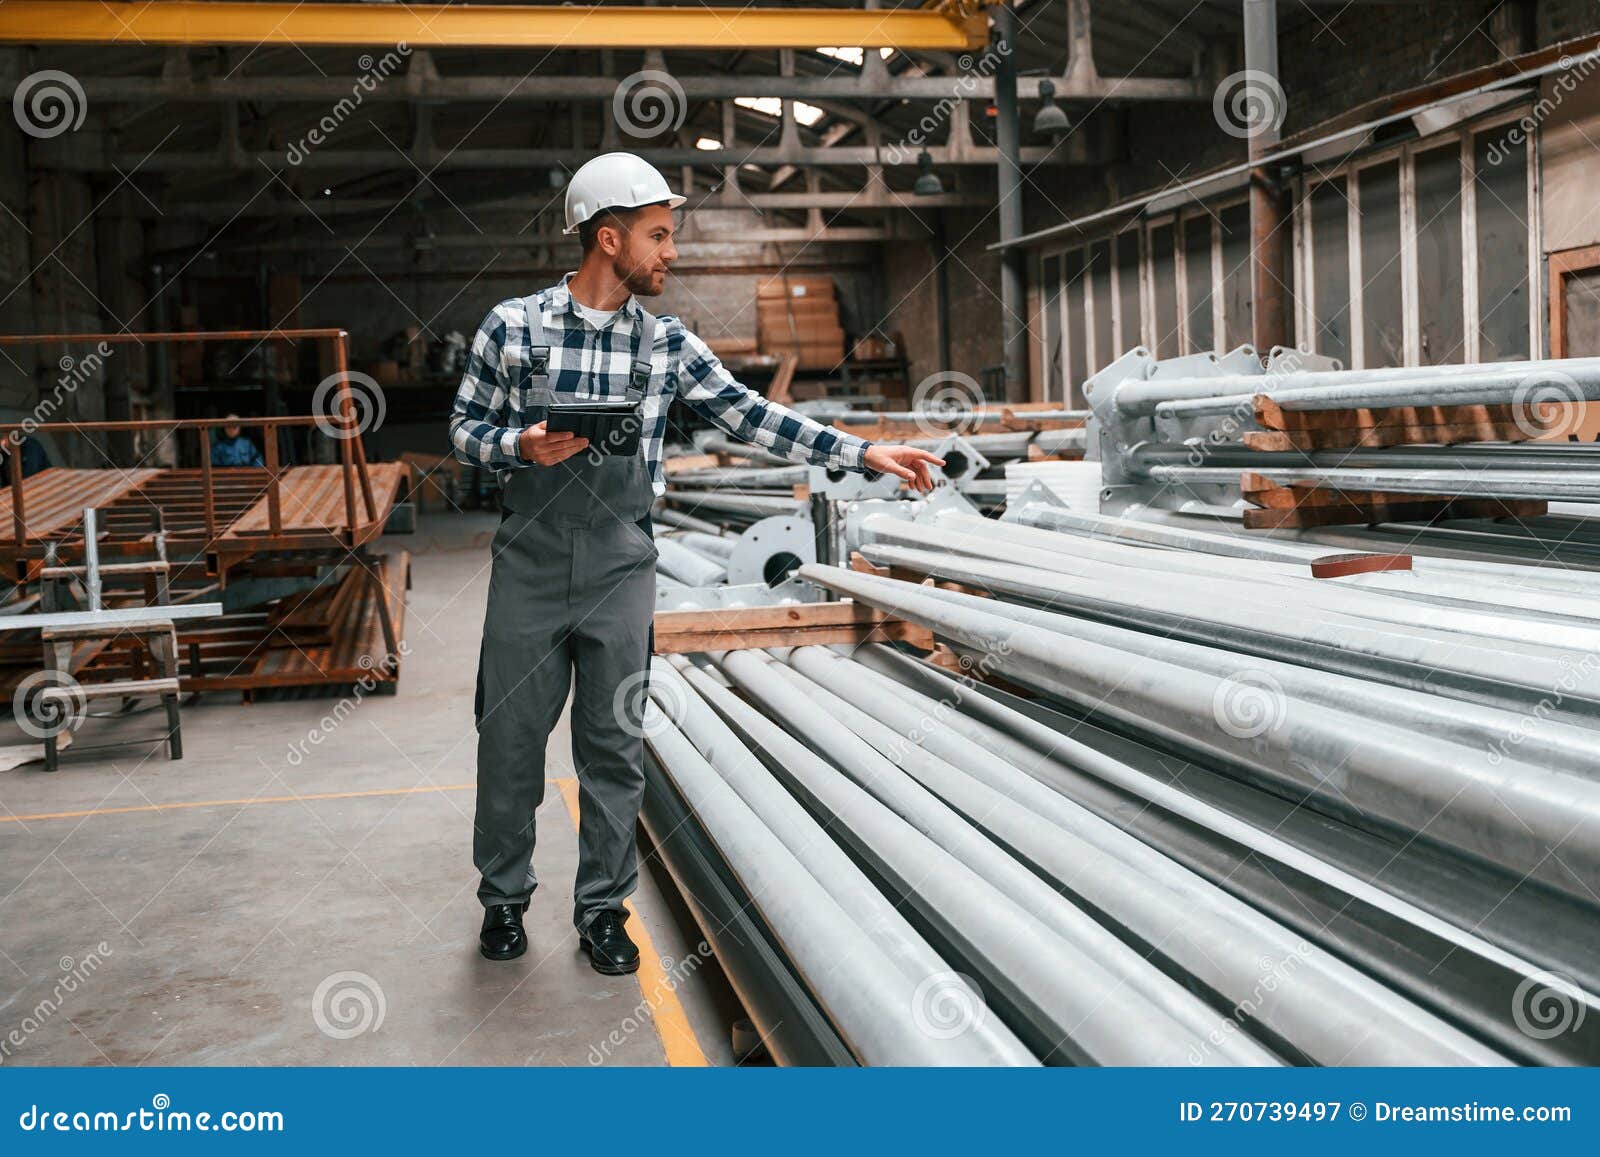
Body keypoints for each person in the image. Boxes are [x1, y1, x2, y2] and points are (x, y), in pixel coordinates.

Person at [448, 152, 943, 972]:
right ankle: (503, 900)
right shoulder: (513, 326)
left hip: (619, 561)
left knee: (614, 741)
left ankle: (603, 910)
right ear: (609, 239)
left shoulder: (667, 343)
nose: (671, 252)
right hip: (529, 556)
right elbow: (465, 430)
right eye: (659, 235)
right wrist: (517, 445)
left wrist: (861, 452)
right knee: (508, 737)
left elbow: (753, 416)